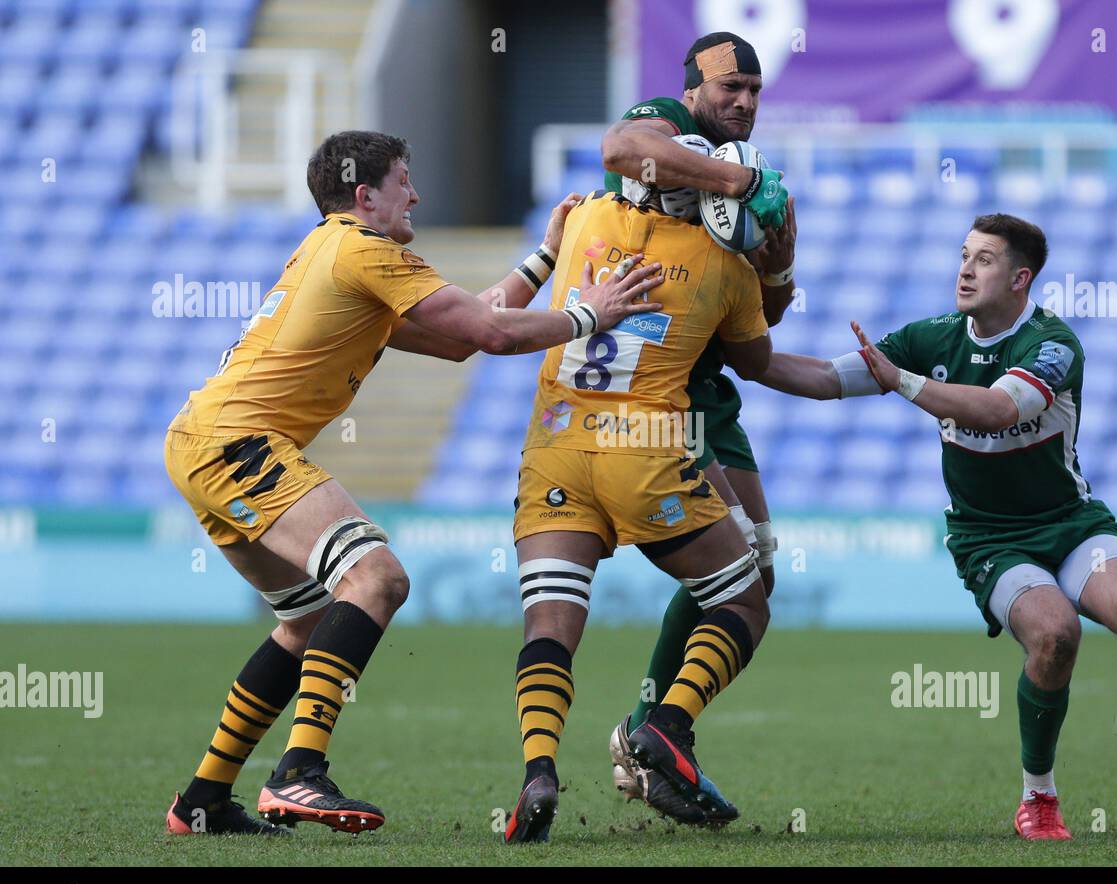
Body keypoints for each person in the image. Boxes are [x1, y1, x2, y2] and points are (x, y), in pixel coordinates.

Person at [162, 130, 663, 835]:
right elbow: (491, 333)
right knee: (377, 579)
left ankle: (202, 800)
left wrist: (547, 257)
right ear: (365, 194)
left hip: (204, 439)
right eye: (404, 179)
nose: (416, 194)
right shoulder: (365, 252)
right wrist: (591, 313)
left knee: (307, 623)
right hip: (235, 443)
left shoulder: (335, 251)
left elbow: (463, 335)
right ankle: (299, 772)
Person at [758, 213, 1117, 839]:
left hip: (1071, 523)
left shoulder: (1054, 346)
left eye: (985, 260)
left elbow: (1001, 410)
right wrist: (740, 354)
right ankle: (1039, 797)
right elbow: (827, 378)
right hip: (989, 538)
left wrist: (905, 384)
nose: (966, 269)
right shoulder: (932, 337)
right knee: (1054, 636)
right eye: (964, 255)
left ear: (1020, 278)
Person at [503, 188, 773, 842]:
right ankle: (667, 723)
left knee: (550, 624)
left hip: (555, 445)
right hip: (643, 450)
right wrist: (771, 266)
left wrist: (546, 246)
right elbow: (757, 361)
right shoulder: (726, 266)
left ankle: (539, 770)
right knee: (745, 598)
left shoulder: (584, 219)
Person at [599, 30, 796, 820]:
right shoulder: (660, 124)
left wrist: (781, 252)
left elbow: (767, 319)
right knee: (731, 572)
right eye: (729, 90)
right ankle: (656, 733)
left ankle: (653, 731)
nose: (743, 103)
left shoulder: (749, 172)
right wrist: (738, 179)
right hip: (653, 382)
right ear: (693, 91)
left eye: (754, 92)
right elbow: (621, 148)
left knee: (761, 571)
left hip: (711, 387)